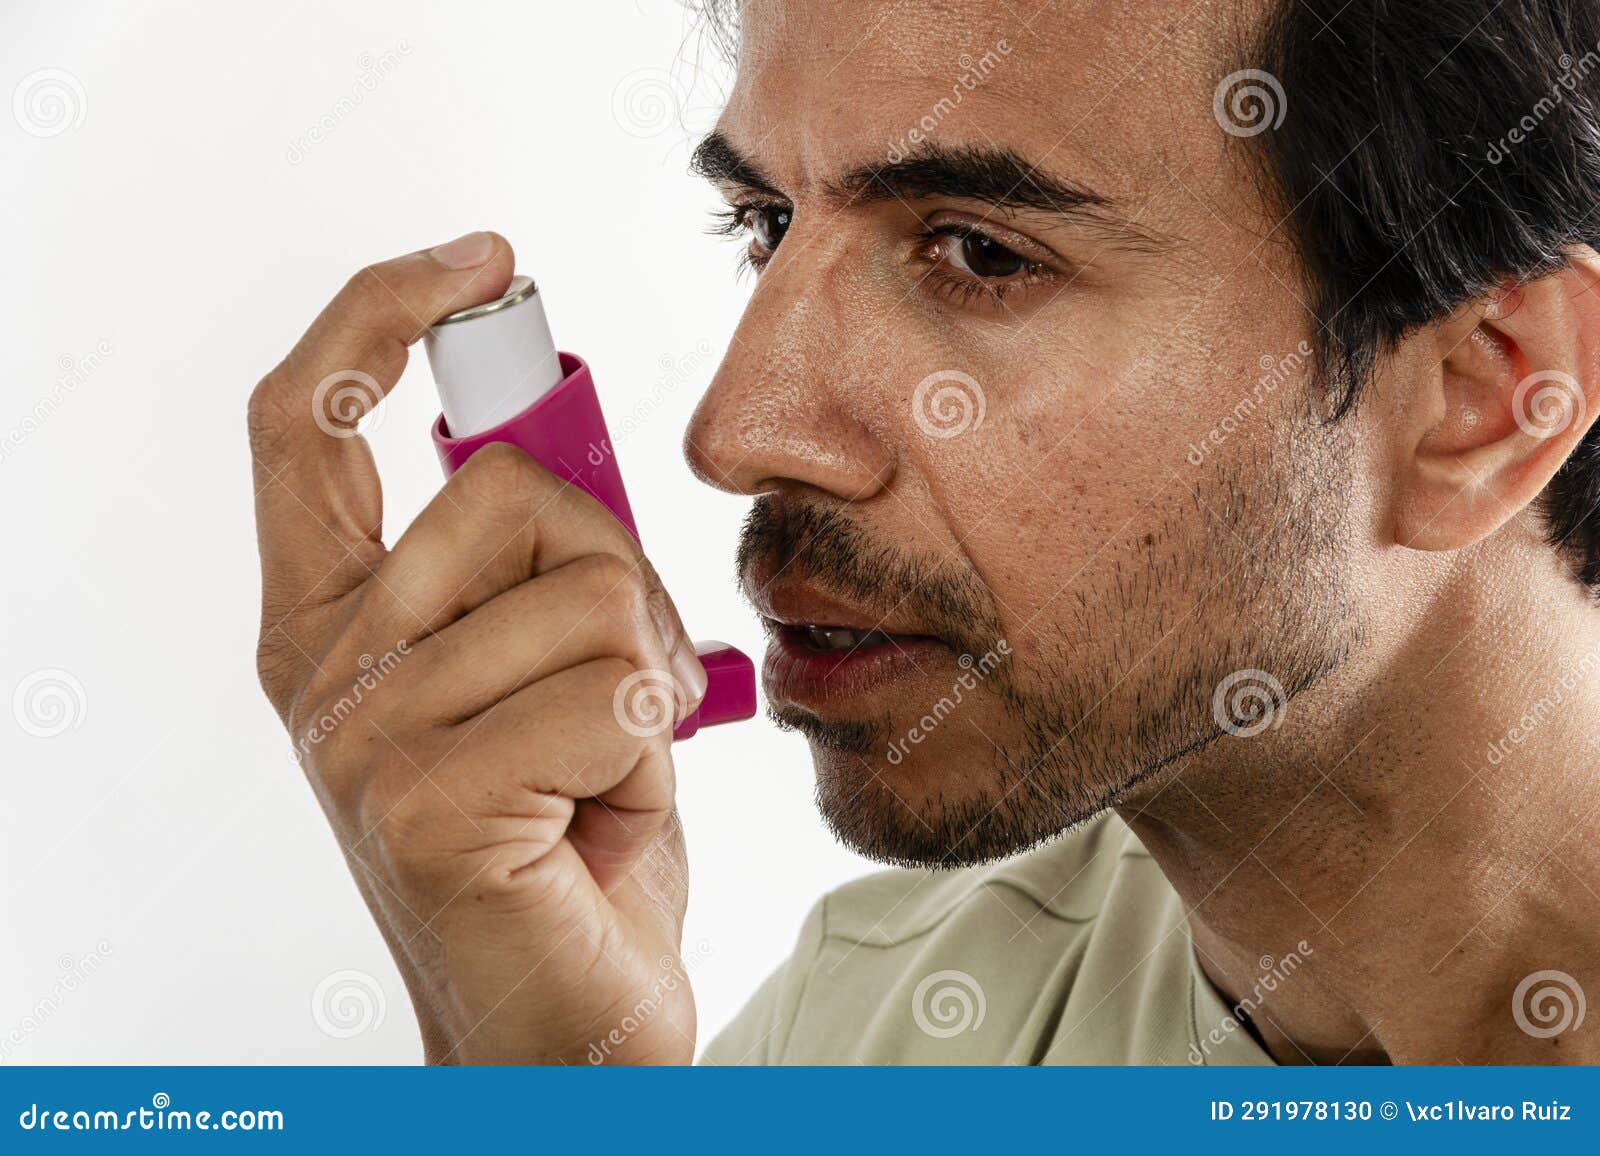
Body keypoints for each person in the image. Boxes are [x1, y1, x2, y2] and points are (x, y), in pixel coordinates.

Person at [248, 0, 1600, 1064]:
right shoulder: (866, 1043)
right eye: (765, 225)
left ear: (1483, 399)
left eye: (982, 254)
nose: (738, 432)